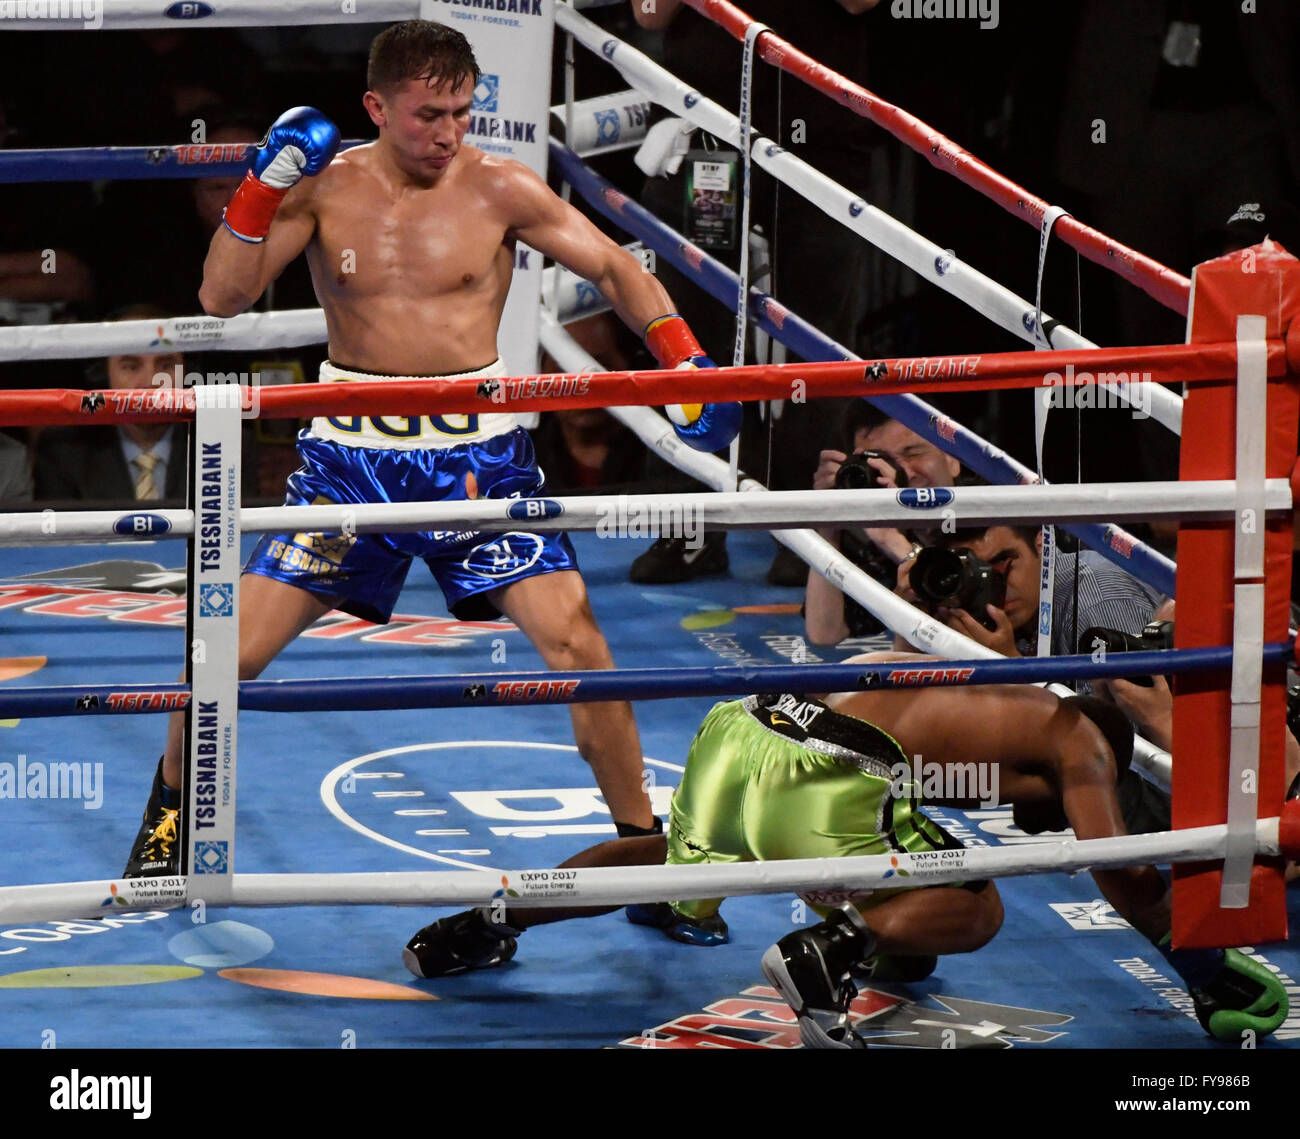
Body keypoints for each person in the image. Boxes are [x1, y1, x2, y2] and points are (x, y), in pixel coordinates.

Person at [121, 20, 743, 877]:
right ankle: (164, 834)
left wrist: (683, 360)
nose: (449, 133)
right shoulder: (324, 188)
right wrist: (263, 187)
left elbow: (611, 267)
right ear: (376, 107)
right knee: (223, 653)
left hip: (476, 464)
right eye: (427, 115)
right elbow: (221, 296)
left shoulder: (500, 188)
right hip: (348, 467)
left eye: (462, 110)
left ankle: (643, 855)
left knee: (580, 645)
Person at [404, 678, 1289, 1049]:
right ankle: (826, 956)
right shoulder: (1085, 743)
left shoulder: (1008, 695)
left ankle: (482, 920)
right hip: (829, 777)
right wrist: (1207, 962)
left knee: (666, 859)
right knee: (975, 904)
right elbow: (1124, 872)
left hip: (741, 727)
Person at [805, 401, 962, 645]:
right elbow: (825, 632)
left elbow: (971, 636)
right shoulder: (881, 539)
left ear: (952, 458)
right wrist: (829, 526)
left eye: (914, 453)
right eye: (883, 461)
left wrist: (895, 543)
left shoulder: (996, 520)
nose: (905, 473)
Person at [897, 522, 1164, 661]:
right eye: (975, 576)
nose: (992, 587)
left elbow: (1123, 740)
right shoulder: (980, 613)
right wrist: (908, 624)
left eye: (1001, 566)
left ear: (1042, 545)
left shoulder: (1098, 599)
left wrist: (1009, 668)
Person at [34, 305, 188, 504]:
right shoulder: (64, 449)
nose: (150, 382)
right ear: (105, 372)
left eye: (166, 365)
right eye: (131, 366)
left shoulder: (234, 444)